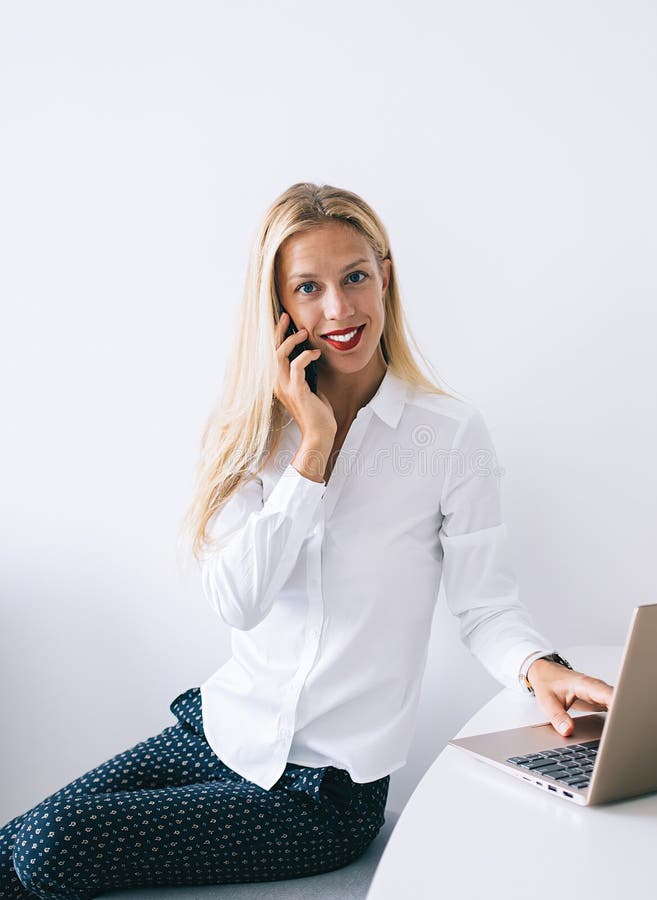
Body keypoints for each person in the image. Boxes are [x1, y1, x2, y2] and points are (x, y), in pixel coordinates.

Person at [0, 182, 614, 899]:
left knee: (49, 846)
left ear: (384, 274)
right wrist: (310, 453)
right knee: (11, 847)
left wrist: (538, 664)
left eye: (355, 276)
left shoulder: (448, 435)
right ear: (280, 308)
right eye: (308, 288)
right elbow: (237, 601)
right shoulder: (254, 431)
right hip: (220, 731)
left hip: (322, 796)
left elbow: (484, 608)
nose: (339, 309)